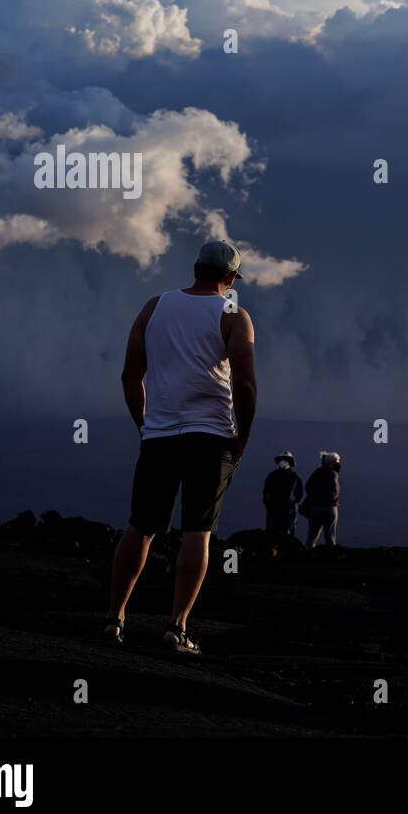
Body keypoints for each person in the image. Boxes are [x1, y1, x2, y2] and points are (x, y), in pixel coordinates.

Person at [104, 240, 257, 654]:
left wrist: (145, 424)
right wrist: (242, 436)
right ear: (229, 278)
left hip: (160, 435)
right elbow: (243, 383)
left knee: (141, 527)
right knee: (197, 532)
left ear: (195, 269)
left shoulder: (155, 307)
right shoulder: (233, 315)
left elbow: (129, 374)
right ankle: (177, 627)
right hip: (210, 436)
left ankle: (115, 619)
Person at [301, 452, 342, 547]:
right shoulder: (333, 474)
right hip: (329, 508)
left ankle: (306, 556)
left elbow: (308, 487)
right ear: (331, 463)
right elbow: (334, 492)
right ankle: (330, 557)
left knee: (312, 536)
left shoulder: (317, 472)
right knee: (330, 536)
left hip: (315, 508)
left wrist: (316, 497)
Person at [262, 451, 303, 536]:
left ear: (290, 462)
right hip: (273, 509)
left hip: (289, 510)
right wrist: (267, 503)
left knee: (288, 534)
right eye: (281, 460)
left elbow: (300, 493)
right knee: (271, 533)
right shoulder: (272, 475)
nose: (282, 462)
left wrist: (295, 504)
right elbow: (266, 490)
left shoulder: (295, 477)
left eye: (285, 460)